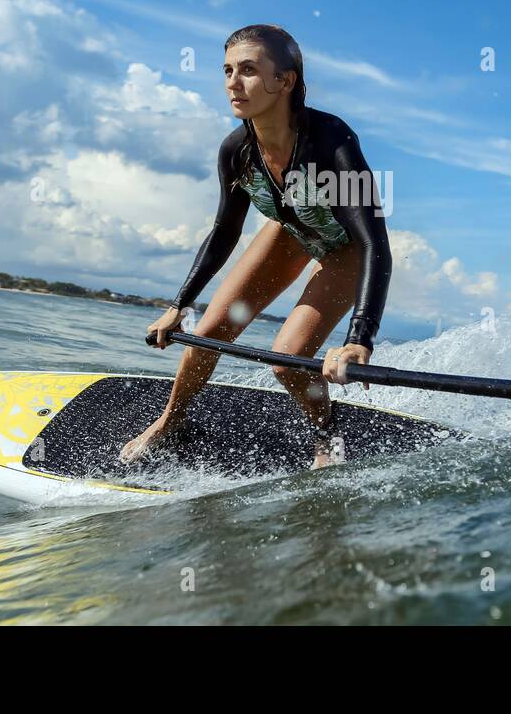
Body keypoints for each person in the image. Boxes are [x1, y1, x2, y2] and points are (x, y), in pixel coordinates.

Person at [121, 24, 392, 469]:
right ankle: (171, 421)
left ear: (284, 81)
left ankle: (327, 432)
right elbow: (224, 232)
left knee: (287, 361)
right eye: (227, 70)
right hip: (290, 231)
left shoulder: (331, 141)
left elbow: (373, 240)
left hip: (348, 248)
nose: (232, 82)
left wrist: (359, 340)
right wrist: (179, 305)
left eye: (248, 70)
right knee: (206, 336)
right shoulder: (236, 150)